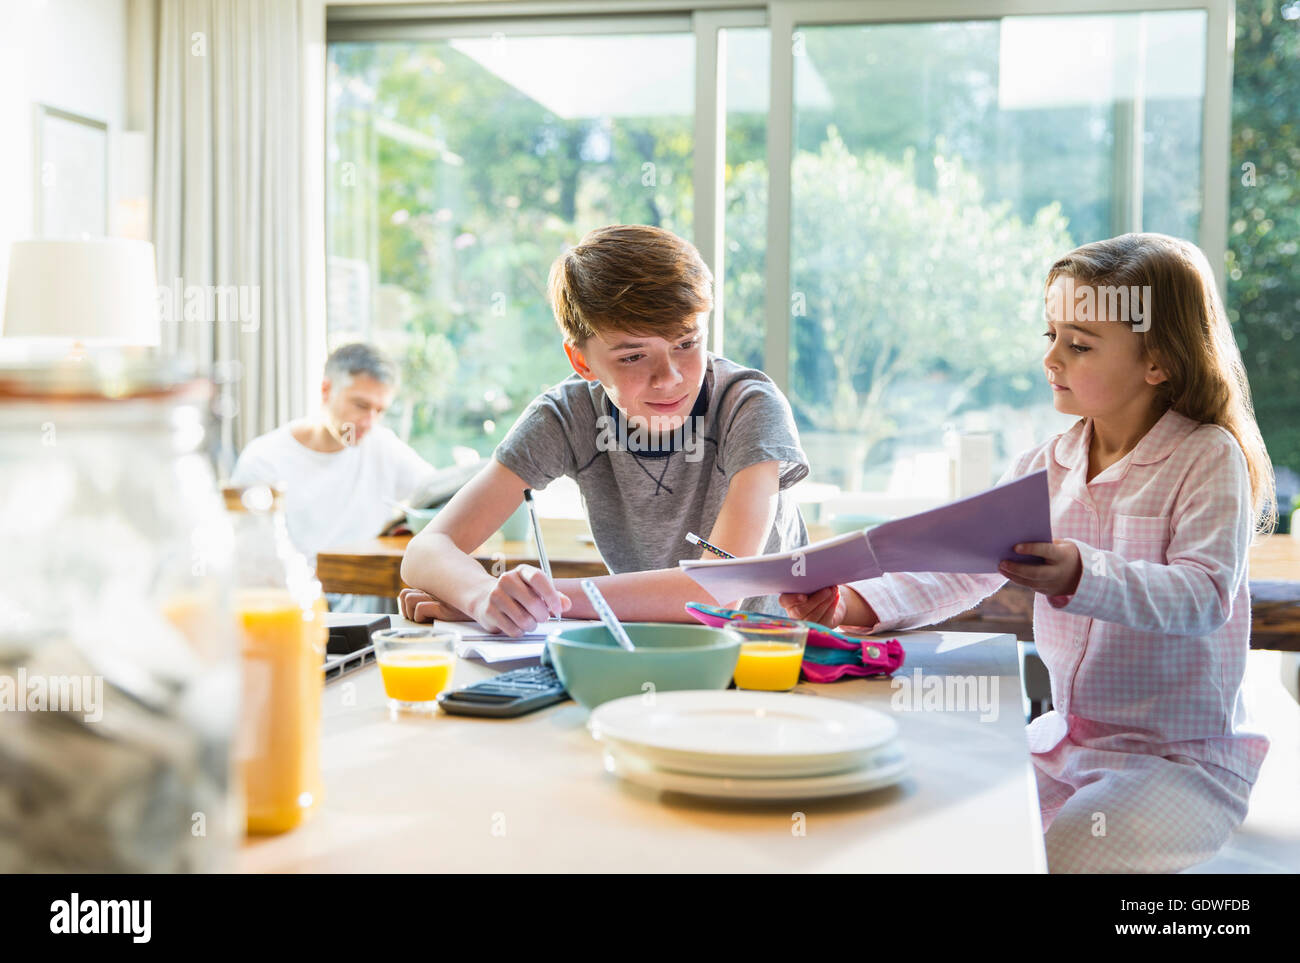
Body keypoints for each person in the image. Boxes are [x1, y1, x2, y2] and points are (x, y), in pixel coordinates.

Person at [783, 233, 1275, 873]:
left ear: (1158, 361)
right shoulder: (1048, 464)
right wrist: (851, 603)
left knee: (1055, 862)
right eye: (1051, 336)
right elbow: (956, 570)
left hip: (1178, 762)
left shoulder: (1208, 457)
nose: (1051, 359)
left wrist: (1082, 573)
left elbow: (1203, 597)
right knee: (945, 838)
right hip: (1066, 746)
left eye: (1079, 344)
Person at [398, 224, 810, 634]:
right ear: (582, 363)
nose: (668, 378)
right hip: (645, 650)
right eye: (633, 357)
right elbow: (424, 551)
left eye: (686, 344)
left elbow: (719, 591)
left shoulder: (749, 405)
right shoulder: (567, 415)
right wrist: (484, 598)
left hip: (771, 660)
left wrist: (537, 603)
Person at [231, 342, 440, 611]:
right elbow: (252, 564)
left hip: (365, 603)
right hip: (296, 605)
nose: (369, 422)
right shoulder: (264, 461)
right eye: (361, 405)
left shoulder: (381, 446)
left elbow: (438, 492)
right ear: (326, 390)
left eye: (380, 411)